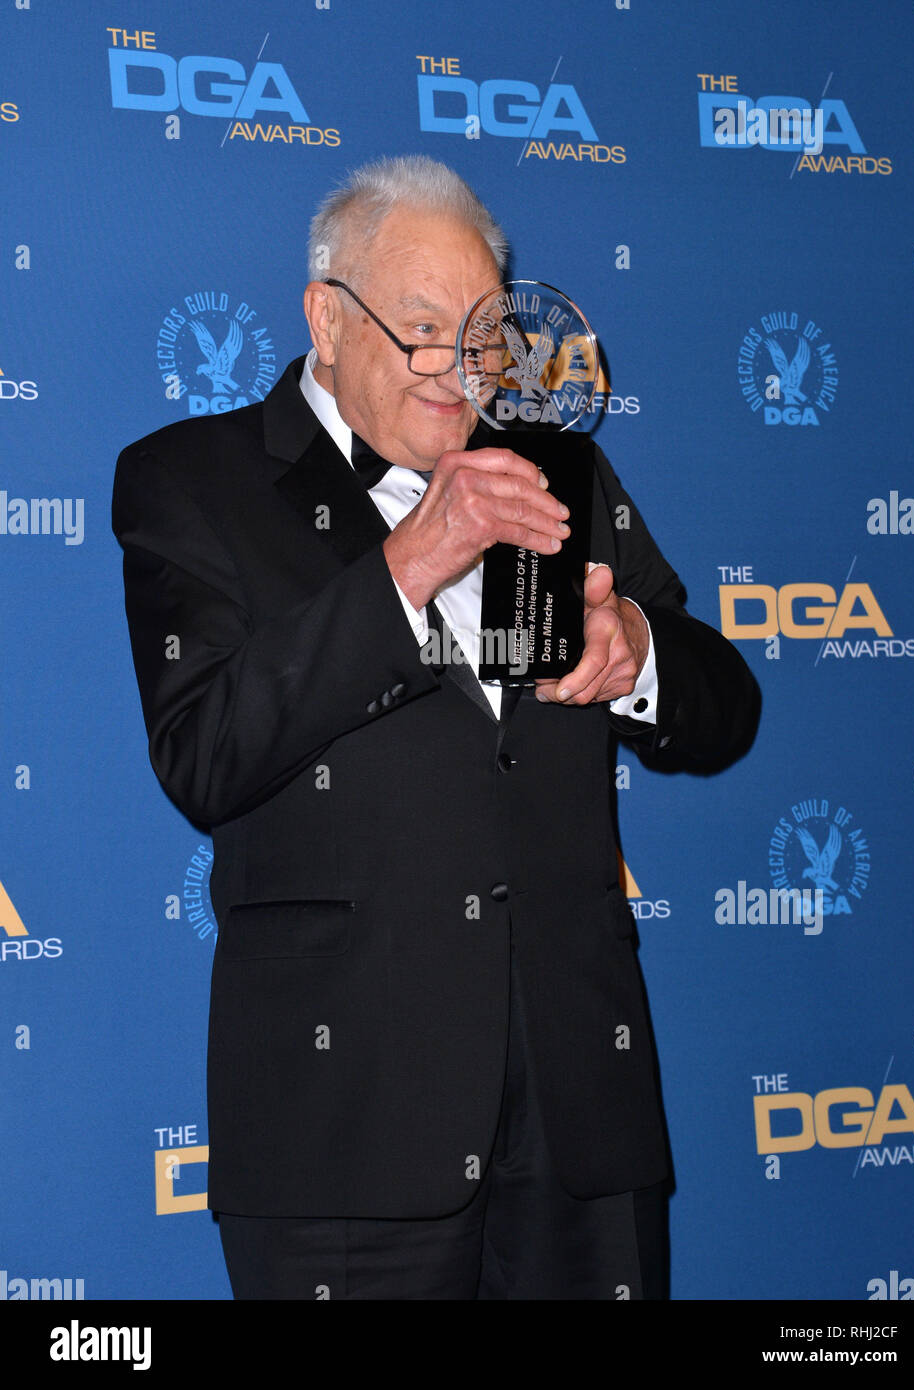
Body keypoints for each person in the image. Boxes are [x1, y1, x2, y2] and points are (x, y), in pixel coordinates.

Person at [113, 154, 759, 1300]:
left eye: (478, 337)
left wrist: (641, 661)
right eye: (420, 331)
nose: (456, 372)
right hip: (344, 1131)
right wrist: (410, 564)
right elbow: (204, 752)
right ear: (324, 317)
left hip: (580, 1124)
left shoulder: (561, 473)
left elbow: (724, 704)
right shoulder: (191, 480)